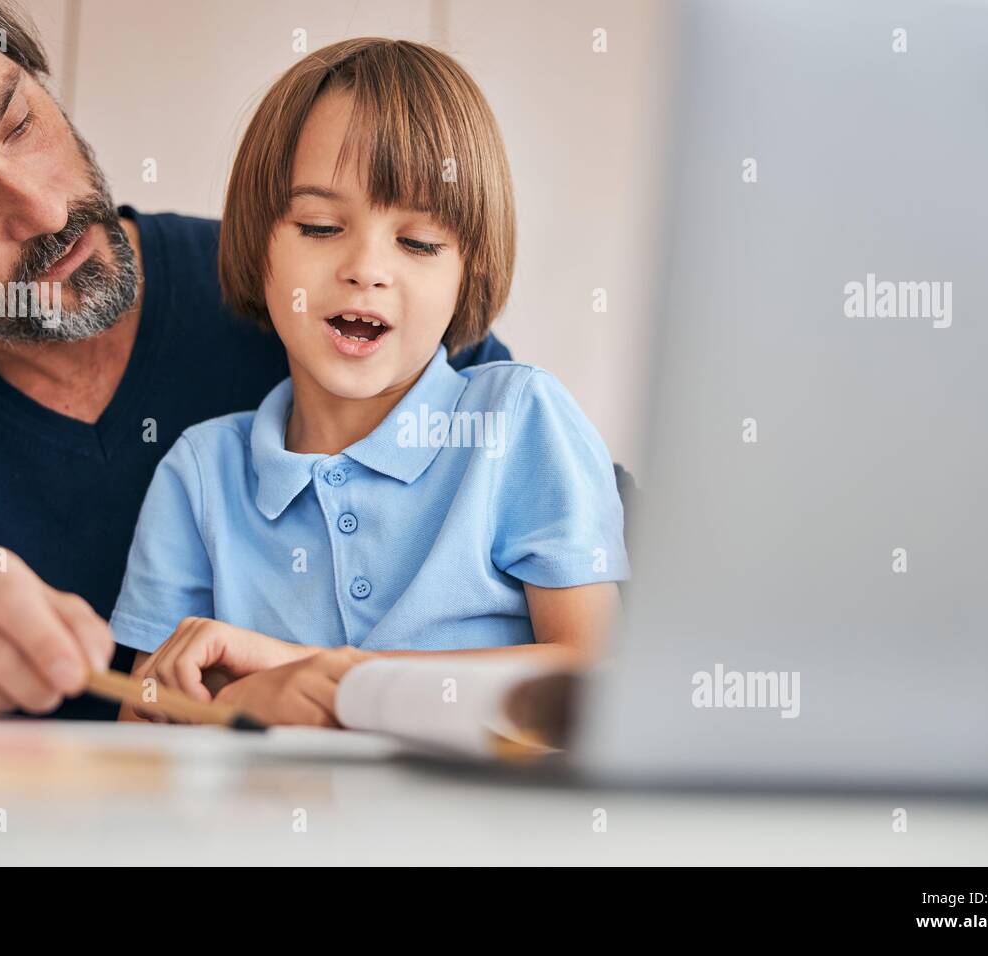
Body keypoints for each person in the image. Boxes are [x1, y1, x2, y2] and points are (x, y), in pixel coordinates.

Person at [0, 0, 512, 720]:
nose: (45, 210)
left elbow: (601, 651)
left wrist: (332, 683)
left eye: (18, 122)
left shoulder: (338, 304)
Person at [113, 38, 629, 727]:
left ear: (467, 273)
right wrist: (238, 702)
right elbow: (142, 720)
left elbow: (598, 676)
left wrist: (333, 682)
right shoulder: (200, 474)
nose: (367, 268)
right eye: (321, 226)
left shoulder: (518, 422)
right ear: (255, 241)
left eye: (417, 243)